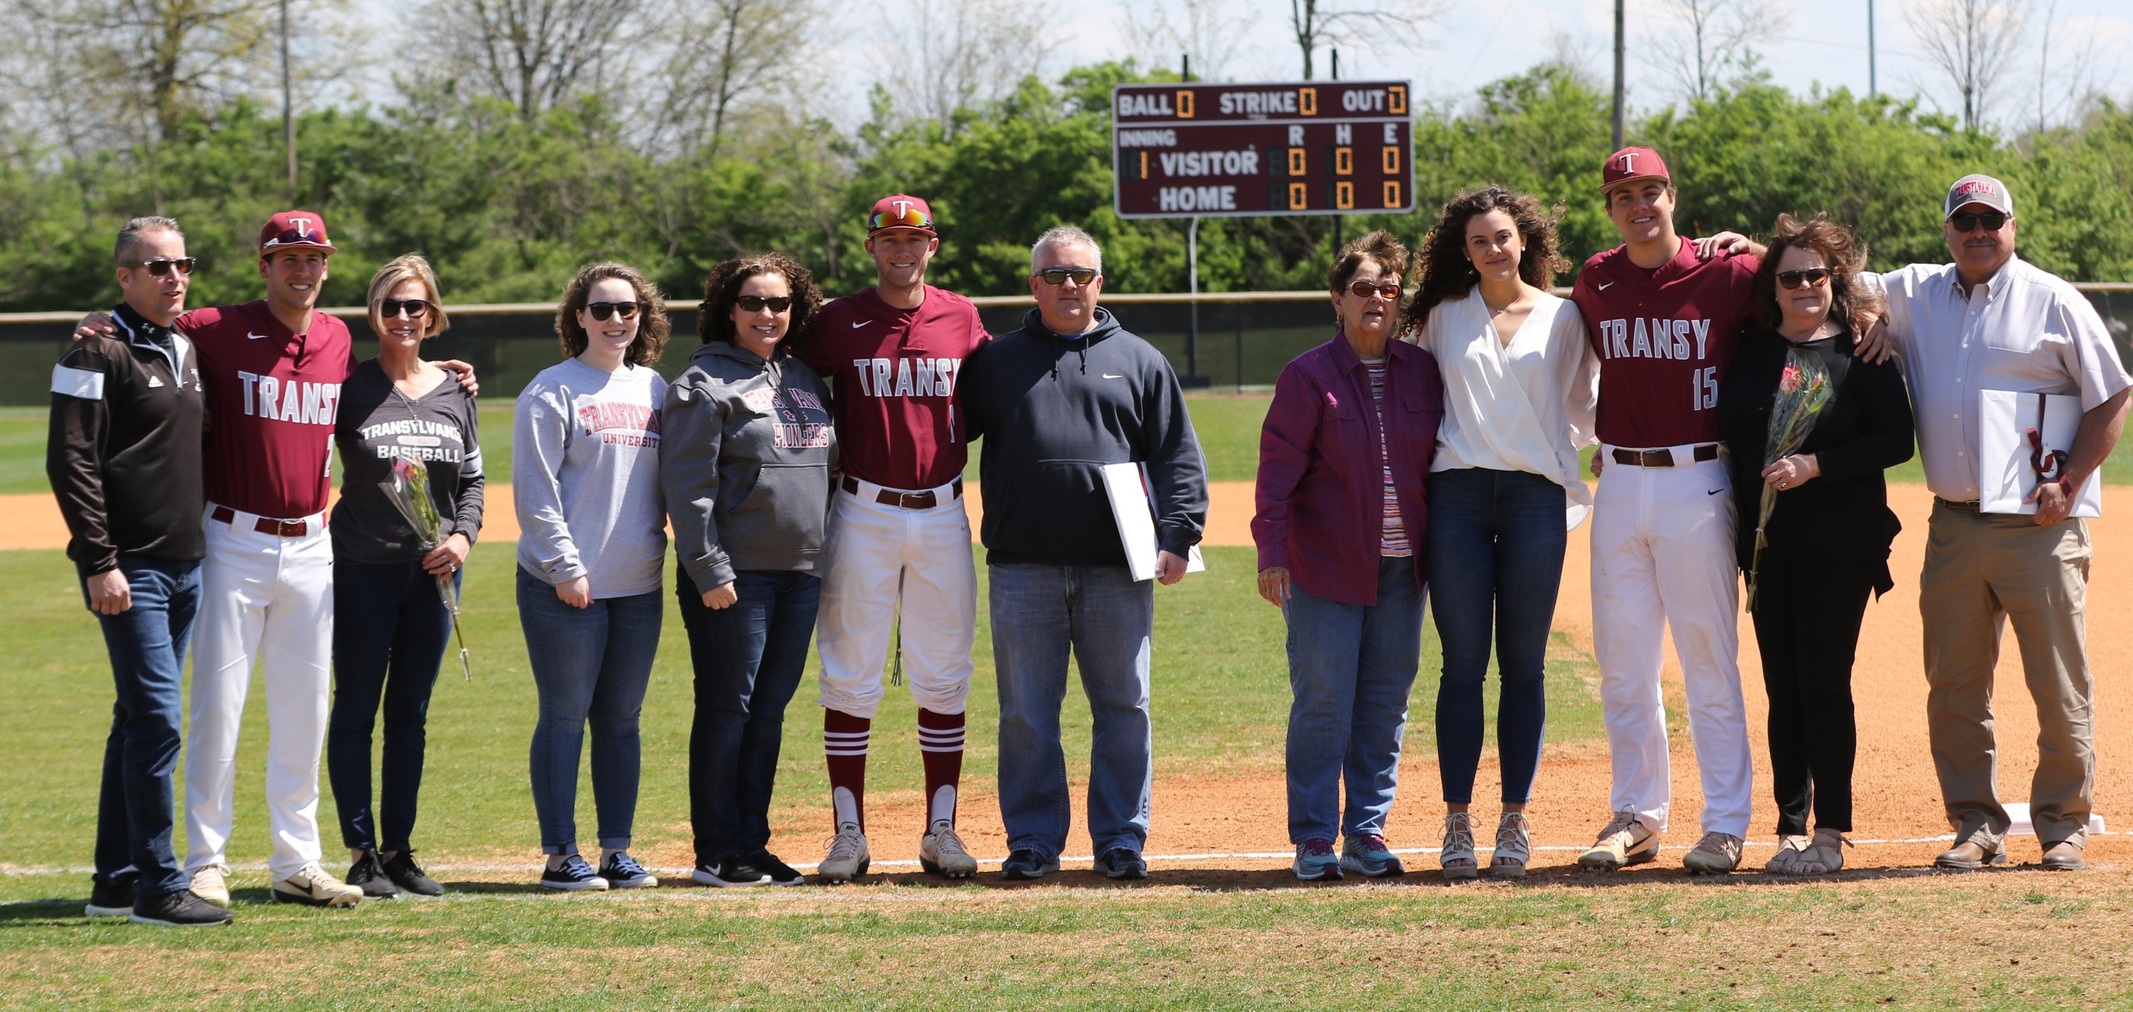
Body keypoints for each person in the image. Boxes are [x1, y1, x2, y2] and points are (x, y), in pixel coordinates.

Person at [1863, 174, 2130, 872]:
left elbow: (2111, 398)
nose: (1977, 231)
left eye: (1990, 219)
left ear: (2012, 225)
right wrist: (1735, 249)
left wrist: (2067, 481)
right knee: (1953, 684)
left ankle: (2062, 822)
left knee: (2056, 682)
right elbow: (1823, 277)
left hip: (2038, 528)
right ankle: (1975, 824)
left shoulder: (2053, 300)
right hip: (1953, 525)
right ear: (1947, 230)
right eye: (1964, 221)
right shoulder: (1913, 292)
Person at [961, 226, 1207, 881]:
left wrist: (1179, 534)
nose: (1068, 285)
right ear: (1033, 285)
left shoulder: (1140, 359)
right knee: (1024, 714)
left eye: (1080, 275)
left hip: (1115, 568)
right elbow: (943, 436)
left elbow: (1177, 453)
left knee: (1124, 707)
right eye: (1054, 276)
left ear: (1099, 282)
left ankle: (1120, 840)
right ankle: (1034, 841)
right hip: (1022, 566)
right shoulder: (995, 360)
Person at [1570, 147, 1765, 875]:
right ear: (1610, 208)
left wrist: (1762, 247)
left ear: (1672, 196)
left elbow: (1819, 279)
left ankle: (1723, 823)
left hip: (1697, 479)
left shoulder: (1726, 271)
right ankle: (1638, 815)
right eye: (1622, 194)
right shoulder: (1596, 278)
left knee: (1706, 662)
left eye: (1649, 190)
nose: (1638, 204)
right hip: (1619, 481)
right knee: (1623, 668)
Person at [1400, 187, 1597, 880]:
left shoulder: (1563, 316)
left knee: (1524, 665)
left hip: (1533, 500)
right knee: (1460, 665)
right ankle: (1456, 822)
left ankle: (1514, 820)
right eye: (1480, 239)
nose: (1492, 248)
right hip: (1453, 496)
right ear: (1464, 248)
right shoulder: (1439, 317)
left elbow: (1585, 404)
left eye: (1503, 237)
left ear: (1525, 241)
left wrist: (1586, 449)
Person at [791, 195, 988, 882]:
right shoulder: (836, 320)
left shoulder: (961, 315)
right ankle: (849, 834)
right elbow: (773, 363)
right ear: (870, 247)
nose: (902, 251)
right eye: (890, 240)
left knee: (944, 672)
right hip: (862, 510)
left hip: (942, 511)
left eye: (914, 239)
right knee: (850, 674)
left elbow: (996, 389)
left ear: (932, 245)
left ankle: (941, 829)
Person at [1715, 214, 1914, 875]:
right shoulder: (1748, 349)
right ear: (1771, 286)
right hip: (1766, 544)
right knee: (1781, 686)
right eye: (1790, 275)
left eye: (1815, 274)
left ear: (1834, 281)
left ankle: (1828, 832)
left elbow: (1895, 440)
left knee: (1822, 683)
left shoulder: (1863, 351)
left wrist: (1815, 466)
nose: (1803, 285)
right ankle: (1788, 828)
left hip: (1839, 542)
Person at [47, 216, 228, 926]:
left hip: (187, 566)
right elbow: (70, 459)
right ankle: (158, 884)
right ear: (124, 276)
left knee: (136, 722)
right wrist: (99, 561)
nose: (175, 277)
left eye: (184, 264)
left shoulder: (183, 344)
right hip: (132, 569)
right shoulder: (94, 351)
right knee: (157, 721)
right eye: (157, 267)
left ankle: (115, 881)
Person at [1254, 230, 1442, 882]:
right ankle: (1312, 836)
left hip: (1401, 571)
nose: (1376, 299)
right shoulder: (1308, 377)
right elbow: (1275, 474)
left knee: (1384, 703)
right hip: (1324, 569)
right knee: (1324, 701)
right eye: (1362, 288)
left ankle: (1365, 830)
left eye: (1387, 289)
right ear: (1337, 299)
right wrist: (1270, 553)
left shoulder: (1422, 371)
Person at [662, 254, 837, 888]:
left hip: (801, 572)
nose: (768, 314)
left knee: (768, 712)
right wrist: (708, 568)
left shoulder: (803, 377)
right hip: (736, 577)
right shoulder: (704, 382)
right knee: (728, 707)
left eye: (780, 303)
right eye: (754, 303)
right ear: (728, 309)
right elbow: (687, 487)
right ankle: (716, 849)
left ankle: (751, 843)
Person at [326, 254, 483, 900]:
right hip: (362, 568)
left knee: (410, 715)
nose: (402, 317)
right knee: (357, 709)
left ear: (433, 313)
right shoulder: (348, 387)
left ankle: (400, 849)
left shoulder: (455, 390)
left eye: (414, 305)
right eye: (390, 306)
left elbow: (471, 480)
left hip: (435, 576)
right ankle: (361, 852)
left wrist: (461, 538)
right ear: (374, 314)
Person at [514, 262, 670, 891]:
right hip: (566, 587)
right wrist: (564, 567)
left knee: (621, 720)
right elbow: (535, 490)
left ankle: (615, 850)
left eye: (627, 309)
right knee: (564, 715)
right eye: (601, 309)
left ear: (642, 316)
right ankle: (559, 856)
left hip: (638, 584)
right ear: (578, 316)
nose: (615, 321)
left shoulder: (655, 388)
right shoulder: (553, 389)